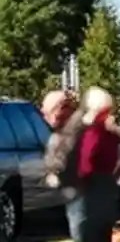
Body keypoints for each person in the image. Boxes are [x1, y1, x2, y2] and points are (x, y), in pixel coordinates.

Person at [75, 87, 120, 242]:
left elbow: (86, 160)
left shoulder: (94, 132)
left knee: (93, 230)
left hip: (96, 185)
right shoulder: (105, 133)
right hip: (105, 185)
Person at [42, 90, 88, 240]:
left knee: (81, 231)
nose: (45, 117)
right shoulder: (60, 133)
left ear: (64, 108)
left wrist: (56, 172)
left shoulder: (78, 131)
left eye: (49, 112)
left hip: (84, 192)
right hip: (73, 192)